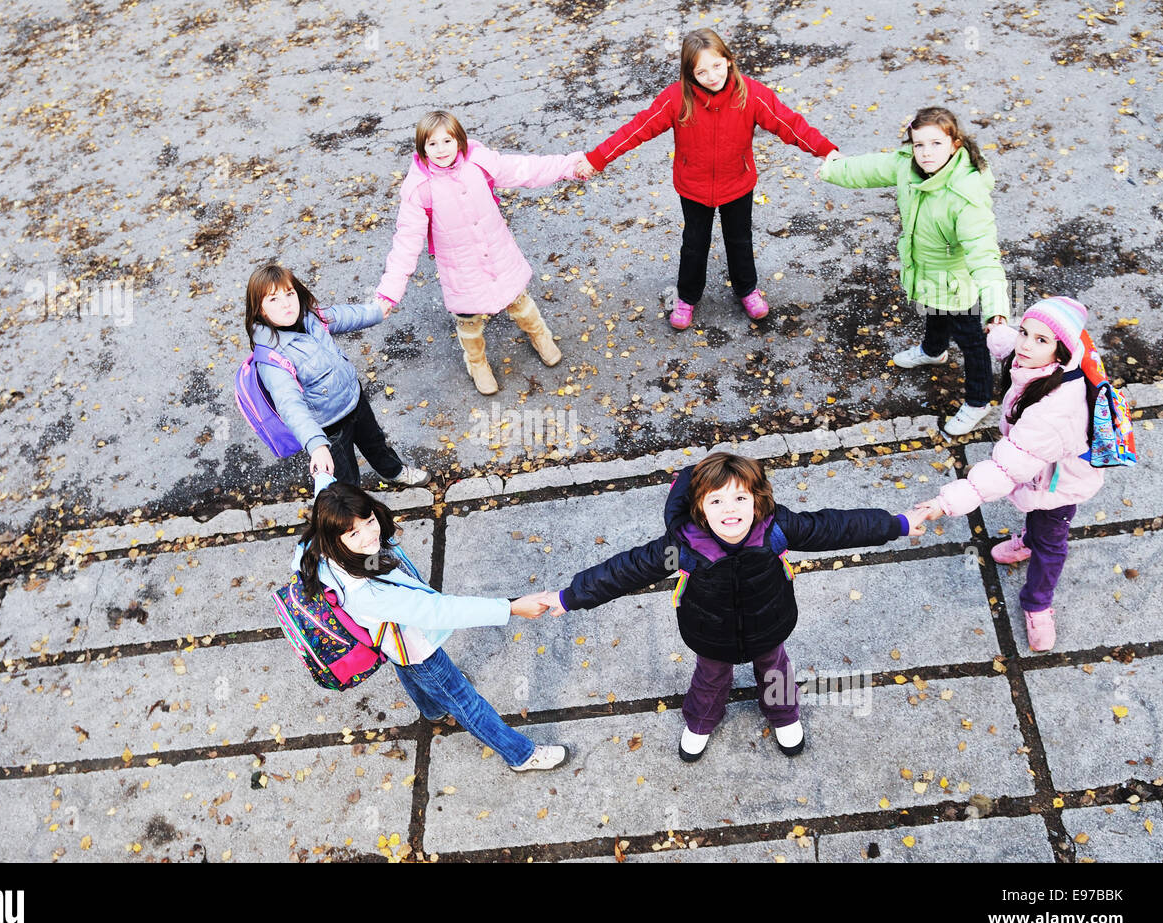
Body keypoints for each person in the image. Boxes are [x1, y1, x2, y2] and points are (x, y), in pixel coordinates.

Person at [532, 452, 928, 762]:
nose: (729, 509)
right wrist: (570, 597)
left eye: (740, 497)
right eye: (716, 500)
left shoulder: (775, 529)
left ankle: (783, 715)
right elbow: (625, 570)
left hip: (768, 622)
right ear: (699, 507)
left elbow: (837, 527)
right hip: (710, 631)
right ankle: (702, 721)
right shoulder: (681, 549)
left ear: (757, 500)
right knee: (710, 678)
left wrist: (898, 523)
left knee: (775, 668)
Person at [575, 28, 839, 330]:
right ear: (689, 74)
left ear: (728, 60)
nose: (712, 76)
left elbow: (788, 123)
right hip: (694, 187)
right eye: (701, 71)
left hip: (737, 183)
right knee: (694, 244)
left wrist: (825, 150)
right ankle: (687, 296)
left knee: (739, 240)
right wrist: (597, 158)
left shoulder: (750, 94)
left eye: (716, 65)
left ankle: (747, 289)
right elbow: (637, 129)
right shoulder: (676, 99)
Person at [306, 482, 569, 772]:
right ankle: (520, 755)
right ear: (334, 535)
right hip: (417, 646)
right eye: (354, 533)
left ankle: (434, 710)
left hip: (391, 641)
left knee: (406, 667)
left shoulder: (321, 549)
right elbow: (439, 611)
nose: (370, 535)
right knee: (468, 705)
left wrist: (320, 464)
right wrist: (511, 607)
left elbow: (328, 494)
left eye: (369, 521)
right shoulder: (369, 593)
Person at [916, 297, 1104, 651]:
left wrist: (946, 503)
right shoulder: (1047, 359)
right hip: (1042, 470)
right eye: (1024, 332)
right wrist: (999, 328)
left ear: (1062, 350)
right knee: (1037, 520)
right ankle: (1029, 540)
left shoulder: (1054, 411)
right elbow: (1010, 347)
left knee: (1052, 542)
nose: (1025, 345)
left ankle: (1038, 604)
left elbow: (1006, 468)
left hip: (1058, 484)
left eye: (1041, 340)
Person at [817, 106, 1011, 436]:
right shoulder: (907, 164)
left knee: (971, 341)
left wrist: (997, 312)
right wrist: (831, 168)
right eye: (919, 144)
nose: (926, 153)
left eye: (936, 144)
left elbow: (985, 256)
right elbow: (868, 169)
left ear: (955, 144)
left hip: (957, 284)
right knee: (934, 312)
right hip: (928, 271)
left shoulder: (966, 197)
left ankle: (978, 401)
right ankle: (933, 351)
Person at [376, 110, 584, 395]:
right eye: (432, 144)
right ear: (422, 148)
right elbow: (405, 242)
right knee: (469, 321)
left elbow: (526, 169)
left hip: (498, 254)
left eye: (447, 141)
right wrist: (389, 293)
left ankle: (540, 335)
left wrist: (571, 166)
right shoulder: (419, 190)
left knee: (519, 301)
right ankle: (477, 362)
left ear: (459, 140)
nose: (441, 150)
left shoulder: (480, 163)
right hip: (461, 268)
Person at [245, 263, 429, 490]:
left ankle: (393, 471)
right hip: (329, 426)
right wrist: (316, 445)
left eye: (289, 293)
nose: (286, 304)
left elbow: (342, 316)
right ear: (261, 310)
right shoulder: (272, 358)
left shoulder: (310, 317)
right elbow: (289, 405)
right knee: (346, 478)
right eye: (273, 299)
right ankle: (359, 513)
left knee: (376, 443)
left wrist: (375, 311)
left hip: (353, 398)